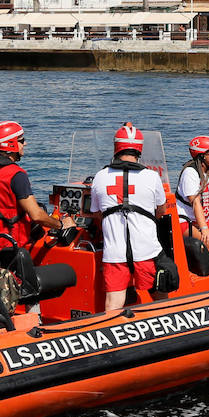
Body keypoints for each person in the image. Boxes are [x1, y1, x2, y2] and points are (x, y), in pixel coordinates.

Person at [0, 120, 74, 267]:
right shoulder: (16, 175)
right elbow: (36, 215)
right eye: (21, 140)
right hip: (6, 248)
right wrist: (61, 224)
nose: (25, 144)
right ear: (11, 144)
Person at [90, 122, 169, 310]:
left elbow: (96, 213)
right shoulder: (151, 177)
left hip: (114, 253)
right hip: (147, 251)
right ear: (139, 149)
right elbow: (161, 210)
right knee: (159, 295)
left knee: (113, 303)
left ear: (116, 147)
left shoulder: (100, 176)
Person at [177, 135, 209, 251]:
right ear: (203, 156)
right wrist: (204, 229)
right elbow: (195, 203)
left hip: (205, 217)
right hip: (186, 220)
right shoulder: (190, 173)